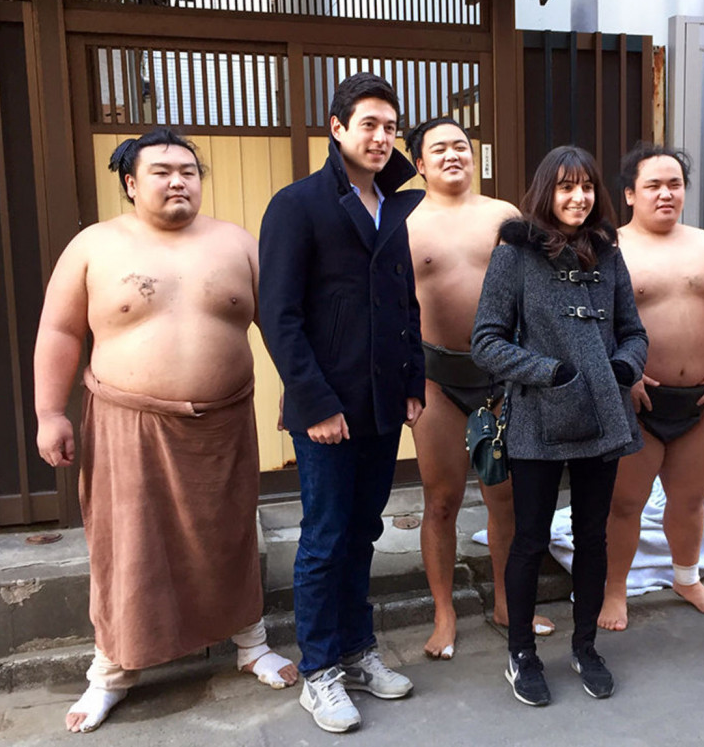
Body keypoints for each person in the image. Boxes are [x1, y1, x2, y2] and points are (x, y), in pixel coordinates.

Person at [33, 128, 297, 735]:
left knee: (229, 532)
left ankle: (251, 643)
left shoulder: (235, 242)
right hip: (128, 420)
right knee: (127, 544)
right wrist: (51, 413)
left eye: (188, 170)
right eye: (161, 171)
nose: (178, 180)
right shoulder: (94, 245)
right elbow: (60, 333)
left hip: (223, 418)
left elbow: (276, 321)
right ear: (130, 182)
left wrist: (296, 387)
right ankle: (112, 670)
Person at [258, 72, 425, 734]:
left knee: (365, 529)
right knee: (325, 538)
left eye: (391, 127)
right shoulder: (298, 205)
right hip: (326, 409)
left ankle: (358, 651)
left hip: (383, 404)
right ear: (336, 128)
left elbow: (403, 304)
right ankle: (320, 668)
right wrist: (316, 401)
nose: (383, 137)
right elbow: (279, 316)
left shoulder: (393, 205)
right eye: (370, 125)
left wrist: (413, 380)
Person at [472, 146, 648, 706]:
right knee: (529, 539)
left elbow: (634, 331)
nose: (578, 198)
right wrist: (554, 372)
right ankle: (521, 652)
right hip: (539, 420)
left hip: (603, 416)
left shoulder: (608, 254)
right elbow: (486, 342)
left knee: (593, 536)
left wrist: (624, 366)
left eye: (587, 187)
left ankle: (586, 645)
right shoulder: (514, 255)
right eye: (566, 187)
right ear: (546, 192)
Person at [404, 118, 555, 660]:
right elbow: (391, 309)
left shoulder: (504, 216)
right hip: (436, 377)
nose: (452, 155)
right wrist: (404, 379)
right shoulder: (402, 220)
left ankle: (508, 605)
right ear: (418, 162)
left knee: (505, 498)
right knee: (440, 499)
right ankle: (445, 614)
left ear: (475, 157)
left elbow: (534, 290)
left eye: (461, 146)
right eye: (438, 148)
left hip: (501, 376)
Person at [597, 143, 704, 631]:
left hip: (699, 402)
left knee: (690, 501)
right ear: (629, 194)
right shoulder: (608, 248)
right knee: (624, 505)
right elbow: (590, 325)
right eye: (653, 185)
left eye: (675, 184)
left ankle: (687, 577)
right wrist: (624, 373)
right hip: (634, 401)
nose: (665, 194)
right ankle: (615, 591)